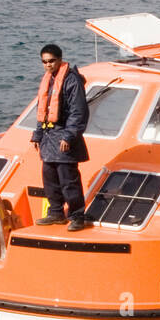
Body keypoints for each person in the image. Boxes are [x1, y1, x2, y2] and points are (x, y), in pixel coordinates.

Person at [31, 44, 90, 230]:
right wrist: (37, 134)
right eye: (44, 62)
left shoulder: (71, 80)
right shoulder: (48, 80)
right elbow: (44, 109)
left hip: (64, 135)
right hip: (49, 137)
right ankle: (55, 212)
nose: (48, 65)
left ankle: (77, 215)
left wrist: (69, 136)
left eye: (51, 61)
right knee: (49, 177)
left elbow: (78, 112)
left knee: (68, 179)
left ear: (59, 59)